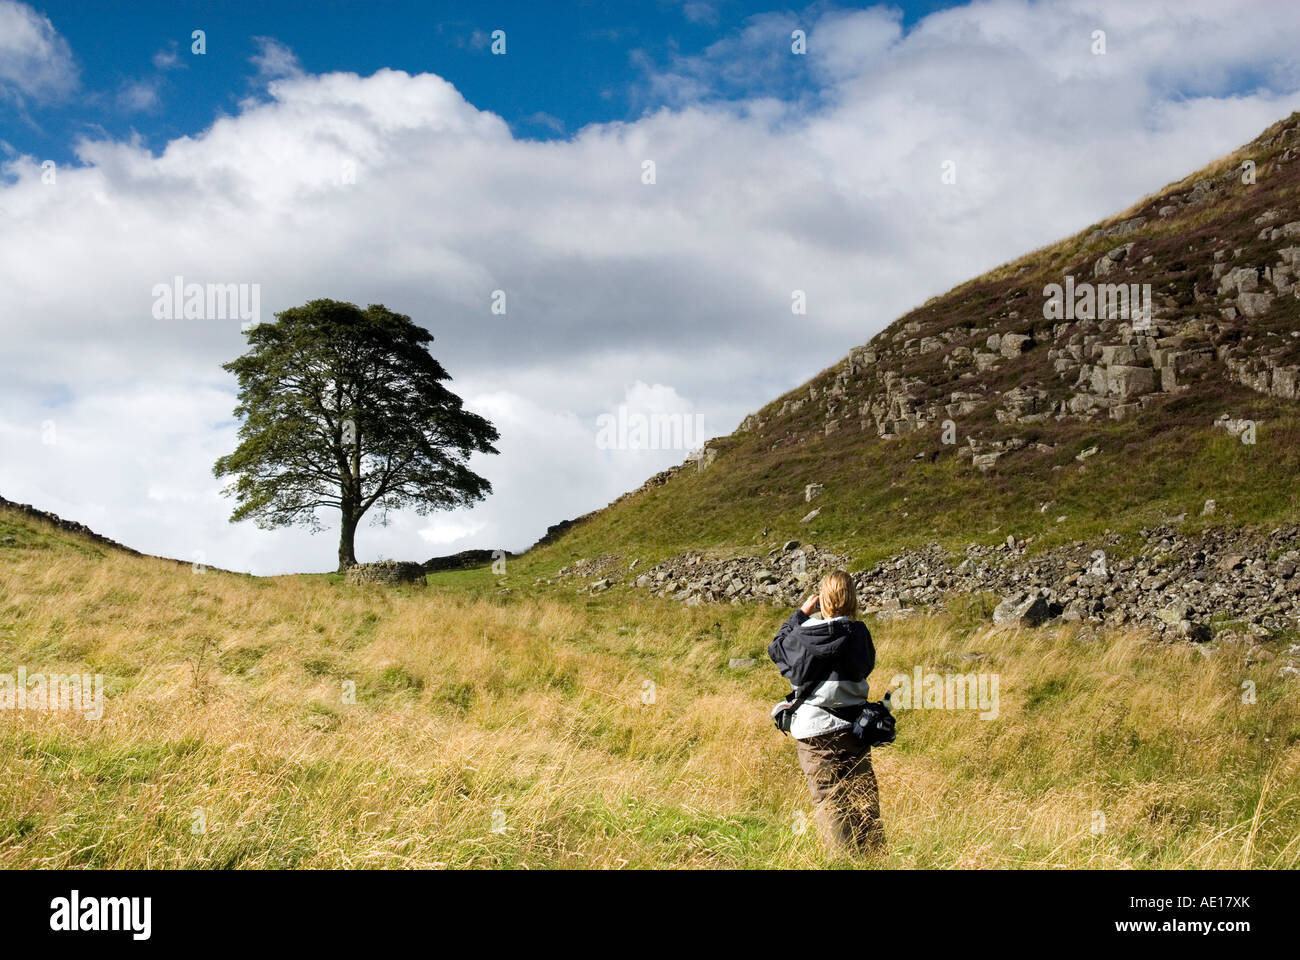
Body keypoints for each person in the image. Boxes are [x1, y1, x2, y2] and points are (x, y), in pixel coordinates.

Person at [768, 569, 885, 855]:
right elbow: (866, 666)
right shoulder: (859, 634)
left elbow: (776, 650)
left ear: (822, 599)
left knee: (829, 800)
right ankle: (873, 858)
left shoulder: (802, 635)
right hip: (854, 726)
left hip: (814, 730)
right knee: (863, 796)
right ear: (853, 598)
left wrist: (799, 615)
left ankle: (842, 861)